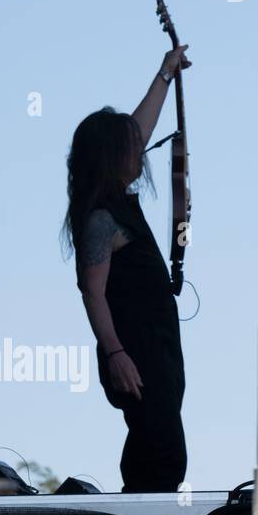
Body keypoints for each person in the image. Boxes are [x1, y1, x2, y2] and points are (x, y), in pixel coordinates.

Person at [64, 44, 191, 492]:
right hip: (134, 353)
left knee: (156, 448)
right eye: (127, 148)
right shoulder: (101, 218)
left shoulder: (117, 202)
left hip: (156, 349)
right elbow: (91, 292)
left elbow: (139, 129)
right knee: (162, 454)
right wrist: (116, 354)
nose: (139, 150)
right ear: (108, 156)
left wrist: (165, 74)